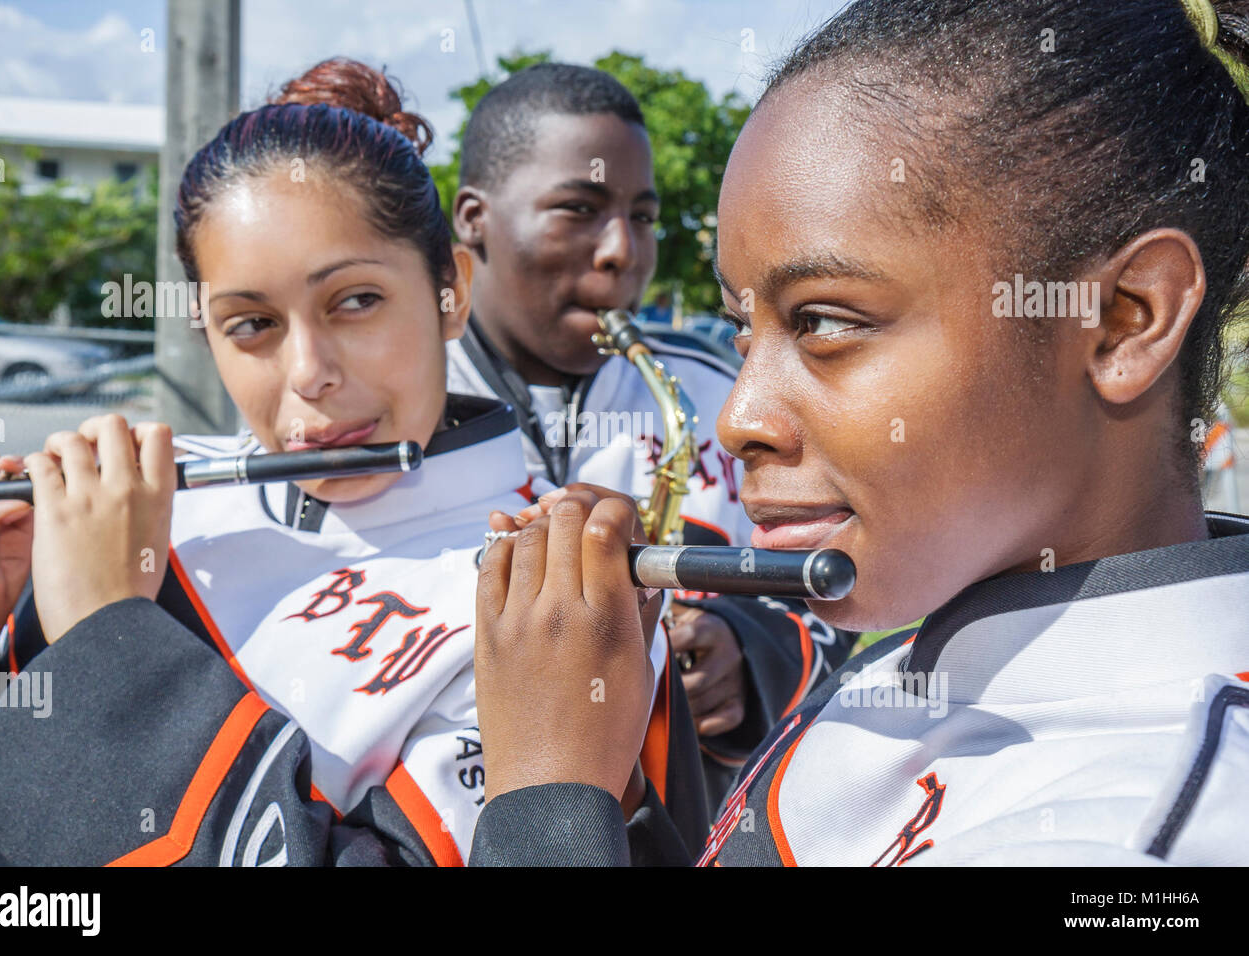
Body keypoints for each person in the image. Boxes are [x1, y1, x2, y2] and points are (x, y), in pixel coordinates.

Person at [467, 0, 1249, 865]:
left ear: (1119, 322)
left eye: (827, 321)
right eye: (742, 328)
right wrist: (616, 794)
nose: (738, 420)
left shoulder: (1148, 829)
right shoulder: (938, 661)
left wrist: (544, 802)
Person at [0, 59, 703, 866]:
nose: (309, 372)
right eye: (251, 324)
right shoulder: (130, 521)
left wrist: (107, 641)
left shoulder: (547, 585)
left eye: (356, 301)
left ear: (452, 289)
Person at [446, 62, 853, 801]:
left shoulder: (721, 391)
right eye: (579, 209)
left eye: (641, 216)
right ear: (473, 219)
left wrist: (743, 646)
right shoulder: (391, 416)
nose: (622, 253)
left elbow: (836, 584)